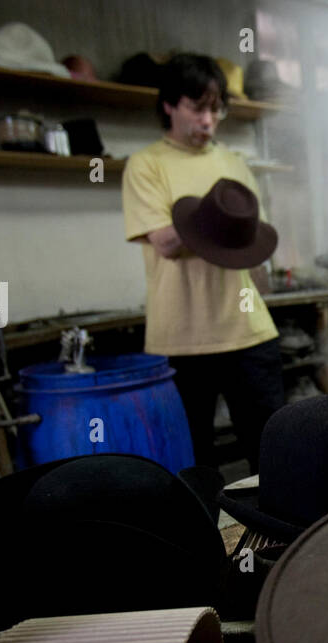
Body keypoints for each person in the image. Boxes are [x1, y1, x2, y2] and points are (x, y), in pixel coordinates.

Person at [122, 53, 283, 472]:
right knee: (192, 463)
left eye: (216, 109)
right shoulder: (146, 165)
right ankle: (205, 538)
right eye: (197, 108)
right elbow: (166, 244)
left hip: (248, 332)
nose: (208, 121)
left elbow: (251, 246)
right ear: (169, 106)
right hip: (182, 339)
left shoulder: (234, 164)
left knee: (274, 452)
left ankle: (280, 538)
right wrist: (216, 214)